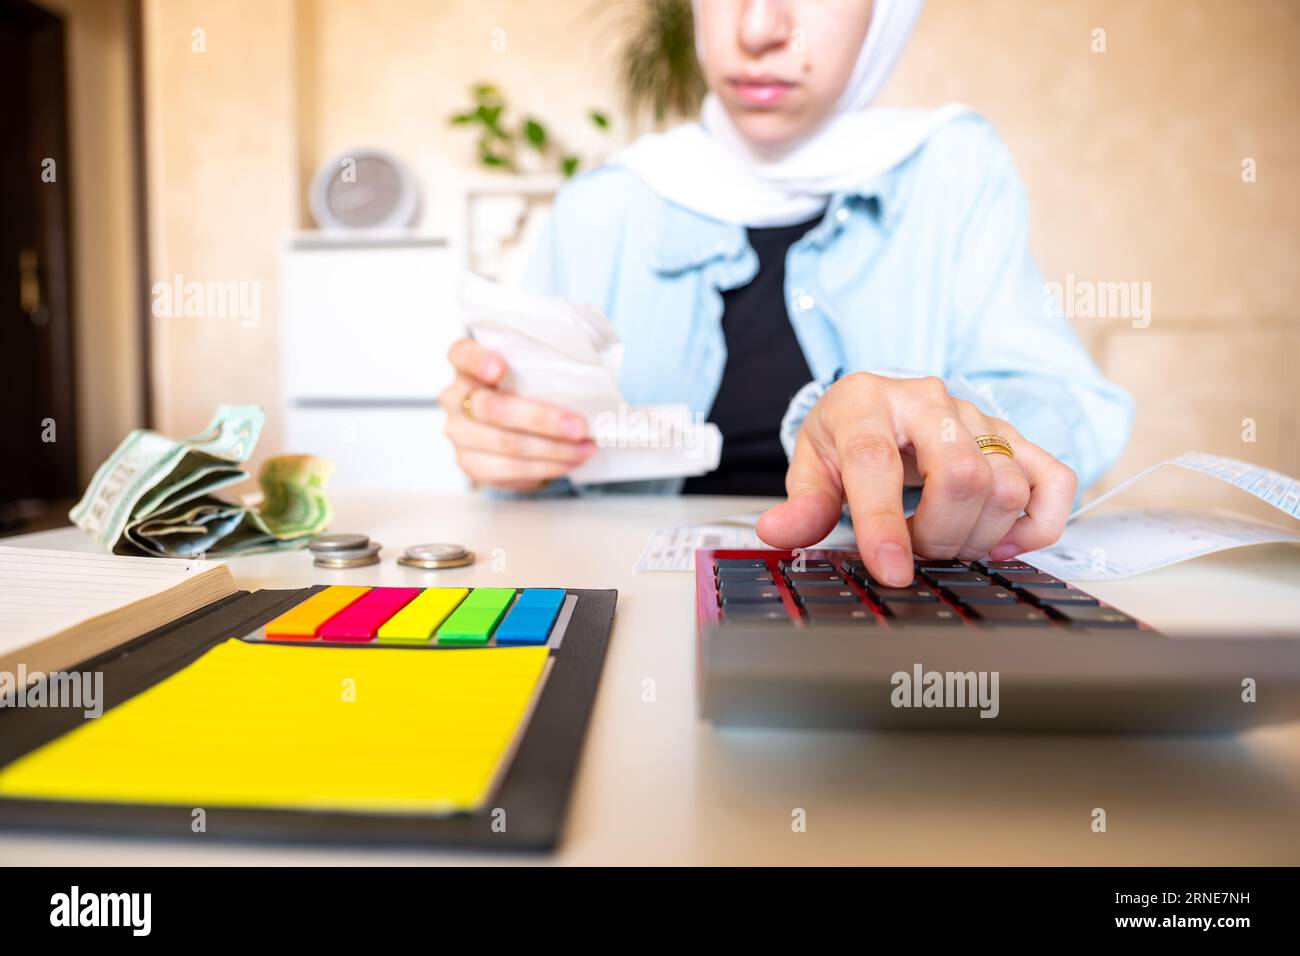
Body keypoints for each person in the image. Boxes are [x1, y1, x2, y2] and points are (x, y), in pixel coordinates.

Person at [438, 0, 1133, 588]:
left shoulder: (954, 171)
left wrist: (970, 427)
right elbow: (526, 483)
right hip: (627, 591)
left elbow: (1063, 410)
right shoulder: (601, 204)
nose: (759, 28)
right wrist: (507, 447)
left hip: (900, 603)